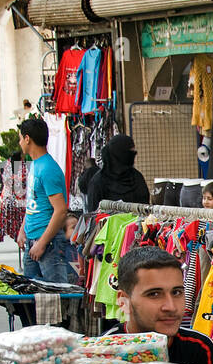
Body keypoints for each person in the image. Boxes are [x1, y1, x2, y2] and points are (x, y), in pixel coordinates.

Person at [114, 245, 213, 364]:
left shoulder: (199, 347)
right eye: (154, 294)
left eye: (176, 292)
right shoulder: (102, 351)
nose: (171, 307)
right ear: (124, 301)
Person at [16, 118, 73, 284]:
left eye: (20, 138)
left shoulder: (48, 168)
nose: (20, 143)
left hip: (48, 244)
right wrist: (23, 229)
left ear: (27, 139)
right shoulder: (36, 165)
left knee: (55, 295)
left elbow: (61, 210)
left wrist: (42, 242)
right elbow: (34, 201)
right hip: (34, 241)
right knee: (31, 296)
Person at [85, 134, 149, 214]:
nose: (133, 154)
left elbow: (145, 207)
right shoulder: (98, 182)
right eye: (130, 151)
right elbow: (93, 214)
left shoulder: (136, 177)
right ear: (120, 153)